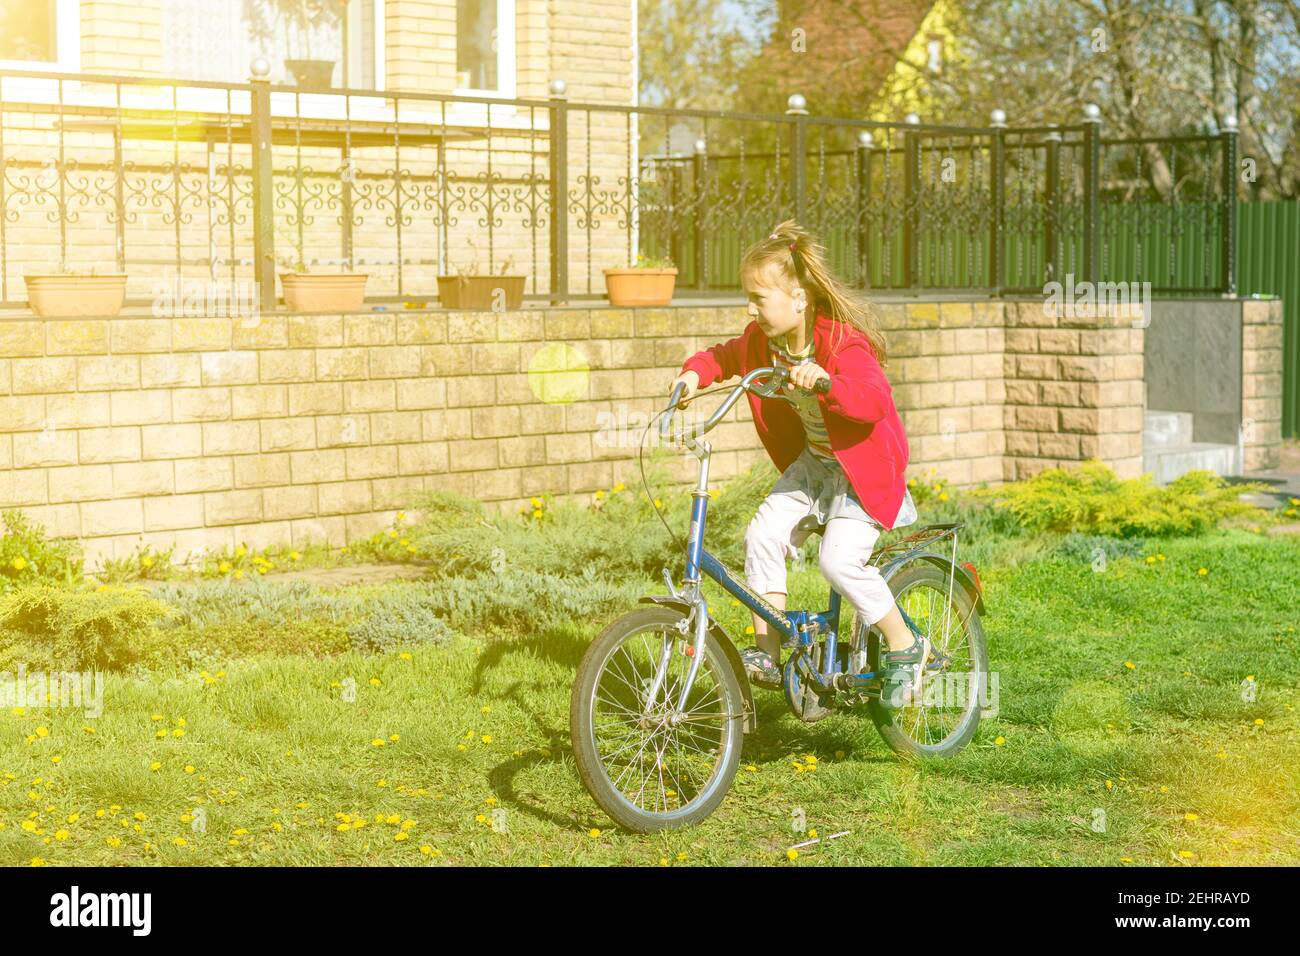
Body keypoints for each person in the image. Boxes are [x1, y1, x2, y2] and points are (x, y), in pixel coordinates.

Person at [669, 219, 927, 709]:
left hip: (863, 472)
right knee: (762, 534)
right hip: (815, 464)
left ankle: (904, 645)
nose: (751, 308)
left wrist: (827, 383)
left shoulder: (841, 343)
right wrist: (692, 375)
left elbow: (872, 401)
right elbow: (722, 356)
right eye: (748, 297)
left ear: (799, 299)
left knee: (837, 561)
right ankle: (767, 651)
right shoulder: (760, 342)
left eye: (759, 298)